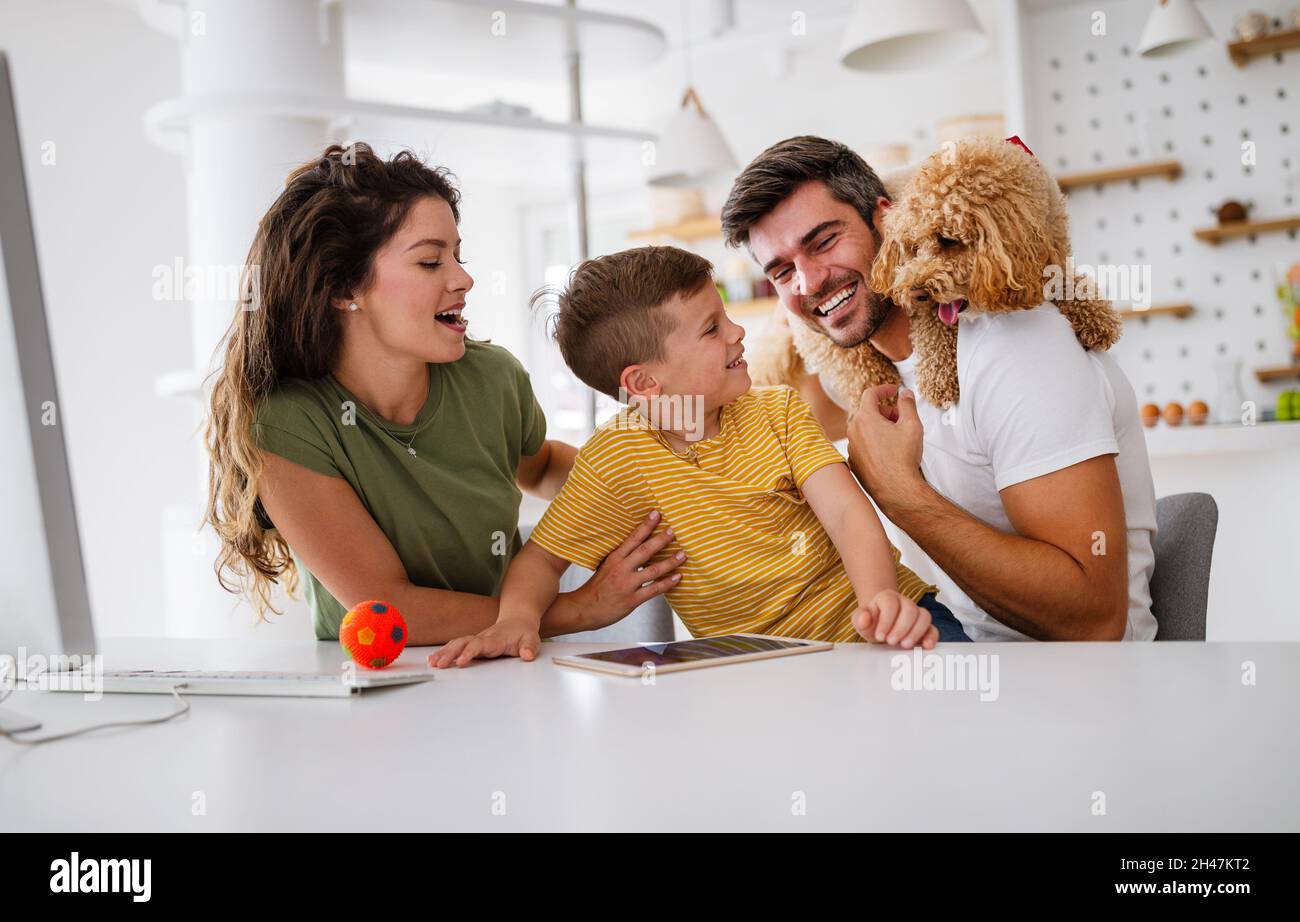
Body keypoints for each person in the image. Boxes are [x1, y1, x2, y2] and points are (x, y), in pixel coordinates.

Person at [204, 143, 682, 643]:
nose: (464, 278)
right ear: (345, 289)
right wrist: (579, 610)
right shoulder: (287, 424)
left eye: (459, 255)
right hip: (379, 680)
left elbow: (539, 469)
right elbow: (389, 607)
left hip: (504, 662)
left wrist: (655, 483)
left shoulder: (492, 379)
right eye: (431, 262)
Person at [432, 245, 972, 668]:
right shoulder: (617, 458)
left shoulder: (777, 412)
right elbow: (542, 559)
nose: (739, 332)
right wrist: (517, 620)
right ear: (644, 383)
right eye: (712, 328)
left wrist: (880, 599)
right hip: (760, 668)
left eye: (726, 316)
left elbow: (847, 514)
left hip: (890, 625)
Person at [722, 136, 1157, 641]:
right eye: (781, 272)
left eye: (823, 242)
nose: (809, 281)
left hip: (1077, 694)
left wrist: (899, 494)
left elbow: (1094, 619)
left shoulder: (1012, 343)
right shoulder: (873, 381)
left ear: (887, 219)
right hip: (963, 663)